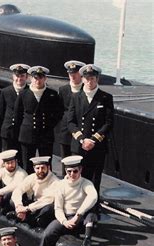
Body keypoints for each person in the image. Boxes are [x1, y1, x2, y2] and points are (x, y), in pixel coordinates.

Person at [32, 156, 98, 246]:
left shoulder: (86, 184)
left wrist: (78, 214)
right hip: (66, 217)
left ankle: (87, 239)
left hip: (81, 217)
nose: (72, 174)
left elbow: (93, 196)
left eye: (75, 171)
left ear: (80, 170)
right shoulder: (61, 185)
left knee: (91, 214)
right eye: (69, 172)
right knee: (47, 235)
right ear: (66, 172)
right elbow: (58, 207)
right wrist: (63, 221)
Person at [67, 64, 114, 192]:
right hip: (79, 145)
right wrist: (82, 139)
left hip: (97, 146)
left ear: (97, 79)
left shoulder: (105, 98)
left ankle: (93, 207)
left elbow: (109, 123)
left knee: (95, 179)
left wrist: (93, 140)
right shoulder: (76, 97)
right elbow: (70, 122)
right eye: (87, 79)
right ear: (82, 79)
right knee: (76, 178)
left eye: (92, 78)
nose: (89, 81)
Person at [14, 66, 63, 173]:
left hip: (45, 135)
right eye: (35, 78)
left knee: (46, 165)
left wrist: (49, 126)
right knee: (27, 165)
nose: (38, 80)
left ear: (45, 78)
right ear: (31, 78)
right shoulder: (24, 93)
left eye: (40, 77)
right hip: (27, 135)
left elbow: (58, 113)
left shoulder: (52, 94)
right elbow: (17, 114)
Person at [9, 156, 58, 227]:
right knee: (12, 200)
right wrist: (19, 206)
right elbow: (18, 190)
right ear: (34, 169)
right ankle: (24, 216)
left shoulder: (56, 182)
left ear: (48, 167)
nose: (40, 171)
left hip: (42, 206)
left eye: (43, 168)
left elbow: (48, 200)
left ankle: (26, 218)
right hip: (32, 205)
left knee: (48, 209)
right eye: (37, 168)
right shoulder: (32, 177)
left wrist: (26, 209)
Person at [55, 61, 86, 160]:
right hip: (65, 131)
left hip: (80, 129)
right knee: (65, 159)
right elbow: (59, 110)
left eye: (75, 73)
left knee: (77, 160)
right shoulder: (63, 90)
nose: (72, 76)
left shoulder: (85, 89)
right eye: (70, 74)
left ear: (80, 74)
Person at [0, 64, 29, 152]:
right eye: (17, 76)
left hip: (23, 133)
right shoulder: (5, 92)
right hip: (8, 132)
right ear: (13, 76)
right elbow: (1, 111)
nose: (19, 79)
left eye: (22, 76)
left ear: (26, 77)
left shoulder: (30, 92)